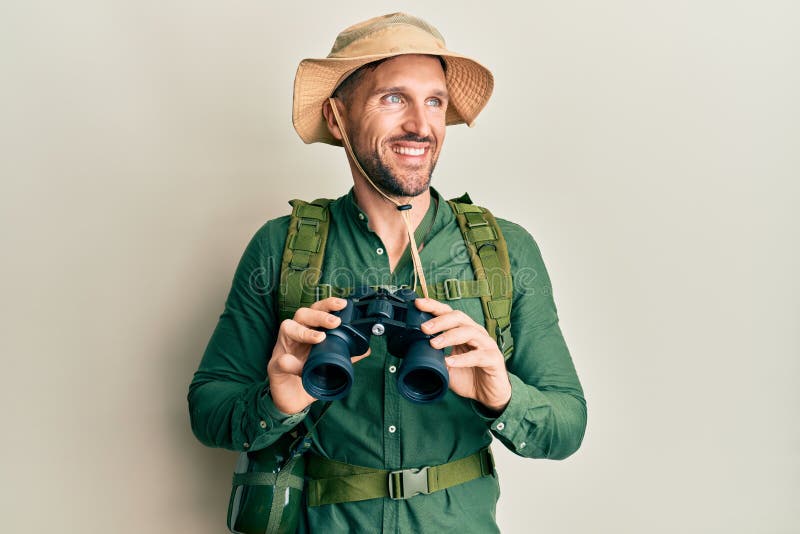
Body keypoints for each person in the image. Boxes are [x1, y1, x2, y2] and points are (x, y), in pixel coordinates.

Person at [189, 12, 586, 533]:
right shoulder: (280, 247)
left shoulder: (506, 250)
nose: (421, 126)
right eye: (393, 98)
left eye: (435, 101)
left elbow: (567, 425)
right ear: (337, 117)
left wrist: (500, 392)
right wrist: (278, 400)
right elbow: (209, 407)